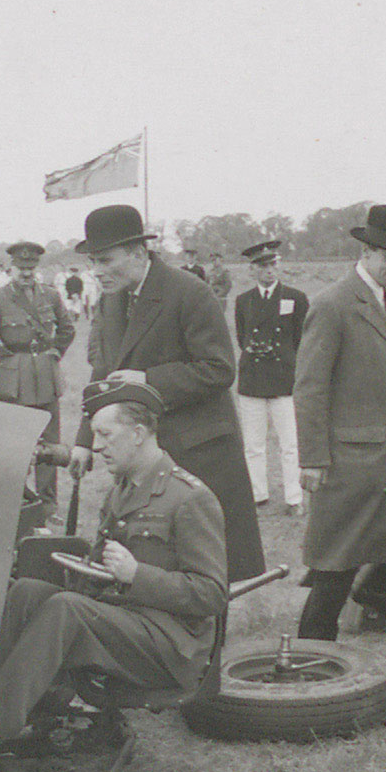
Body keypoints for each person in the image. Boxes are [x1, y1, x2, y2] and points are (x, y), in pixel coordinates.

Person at [0, 380, 227, 739]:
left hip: (170, 644)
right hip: (125, 622)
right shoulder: (121, 491)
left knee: (67, 609)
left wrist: (136, 574)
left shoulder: (188, 498)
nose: (96, 446)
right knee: (26, 592)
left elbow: (212, 594)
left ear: (138, 433)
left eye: (105, 435)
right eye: (95, 434)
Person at [69, 205, 265, 581]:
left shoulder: (190, 293)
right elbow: (103, 373)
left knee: (205, 566)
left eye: (105, 260)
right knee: (151, 562)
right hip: (146, 455)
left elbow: (220, 368)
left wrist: (148, 380)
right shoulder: (112, 300)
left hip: (199, 453)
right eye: (93, 261)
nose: (96, 271)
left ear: (138, 253)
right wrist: (83, 440)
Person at [294, 205, 386, 641]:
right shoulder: (333, 304)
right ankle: (312, 651)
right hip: (348, 460)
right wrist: (313, 458)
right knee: (336, 564)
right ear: (366, 251)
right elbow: (310, 387)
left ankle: (377, 590)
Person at [0, 242, 75, 509]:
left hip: (46, 377)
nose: (26, 273)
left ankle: (47, 505)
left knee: (50, 444)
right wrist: (15, 357)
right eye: (21, 268)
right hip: (13, 383)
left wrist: (55, 352)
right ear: (11, 268)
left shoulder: (51, 295)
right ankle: (16, 501)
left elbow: (67, 329)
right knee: (13, 444)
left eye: (31, 268)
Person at [234, 239, 309, 514]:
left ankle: (294, 498)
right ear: (252, 269)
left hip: (283, 380)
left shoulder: (295, 298)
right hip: (252, 380)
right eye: (262, 266)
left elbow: (302, 339)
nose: (269, 271)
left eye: (272, 265)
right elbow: (242, 337)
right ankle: (257, 495)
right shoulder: (244, 301)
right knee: (253, 444)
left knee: (289, 444)